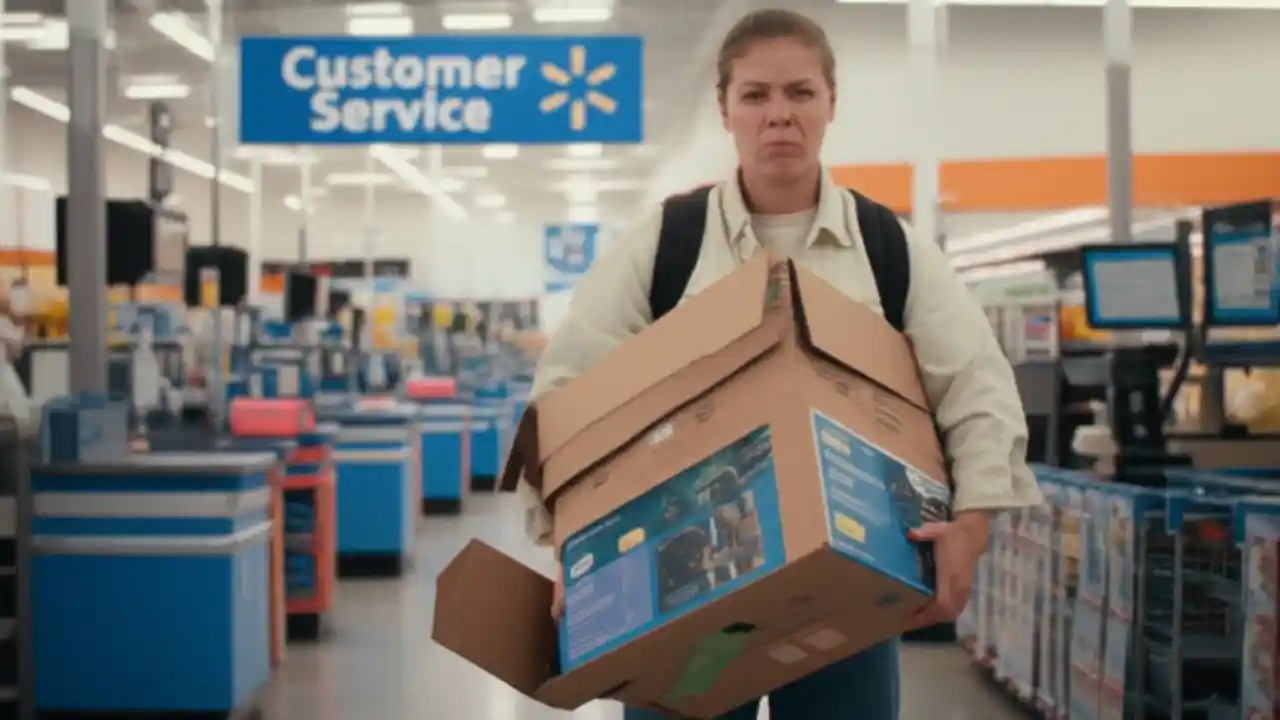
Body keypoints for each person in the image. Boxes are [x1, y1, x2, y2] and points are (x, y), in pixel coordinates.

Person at [518, 8, 1042, 719]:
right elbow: (568, 393)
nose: (779, 117)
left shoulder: (886, 248)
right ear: (725, 110)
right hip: (681, 588)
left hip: (848, 579)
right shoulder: (669, 245)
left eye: (800, 93)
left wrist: (971, 528)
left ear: (831, 104)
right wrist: (576, 552)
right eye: (756, 96)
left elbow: (977, 385)